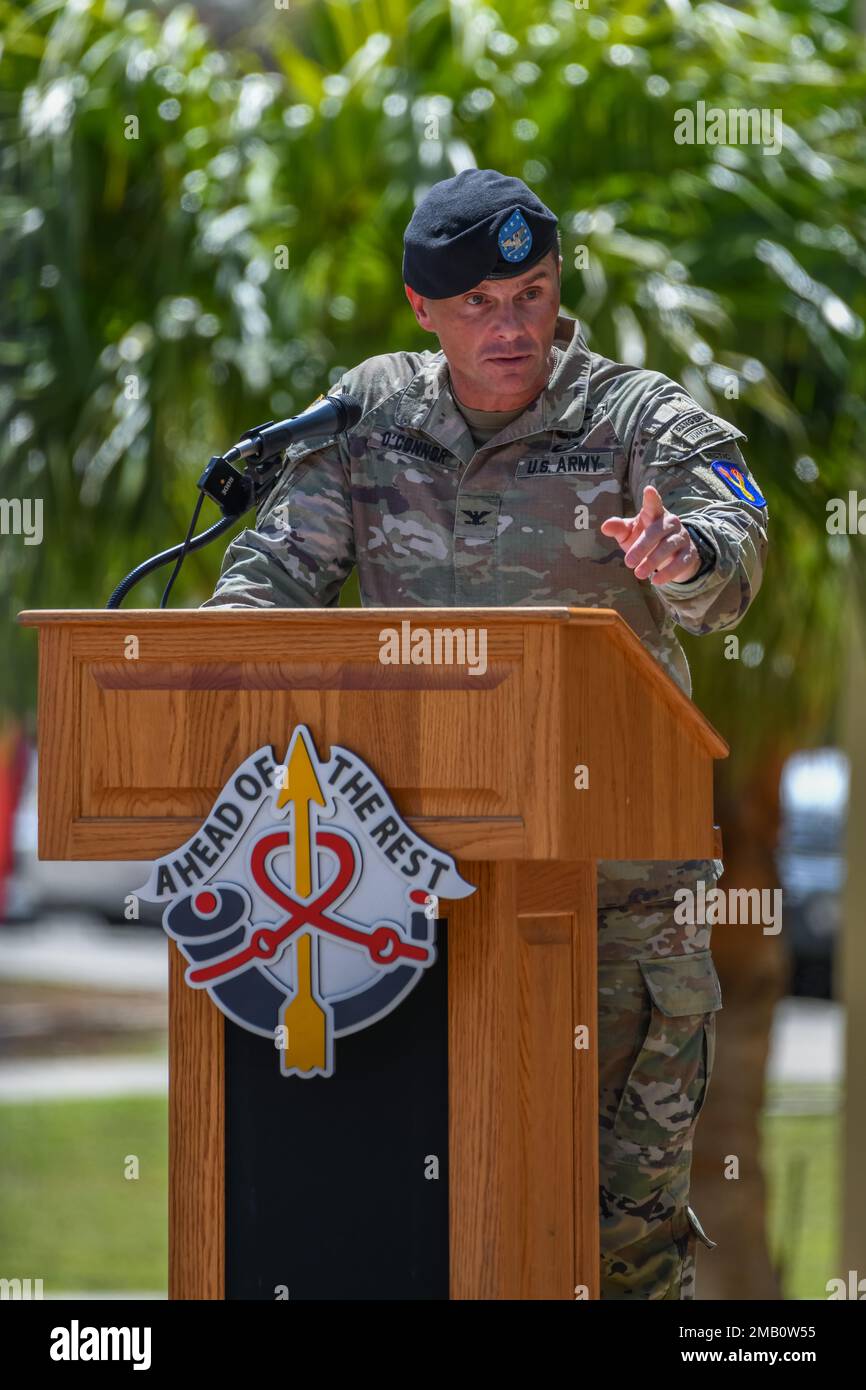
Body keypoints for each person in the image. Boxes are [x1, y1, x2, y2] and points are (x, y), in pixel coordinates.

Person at [201, 168, 769, 1299]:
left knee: (617, 1249)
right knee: (427, 1230)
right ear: (422, 310)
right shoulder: (367, 417)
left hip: (619, 905)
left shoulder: (632, 414)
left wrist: (684, 555)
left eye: (532, 293)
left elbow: (732, 540)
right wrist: (211, 674)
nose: (511, 327)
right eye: (478, 305)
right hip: (405, 900)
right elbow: (266, 583)